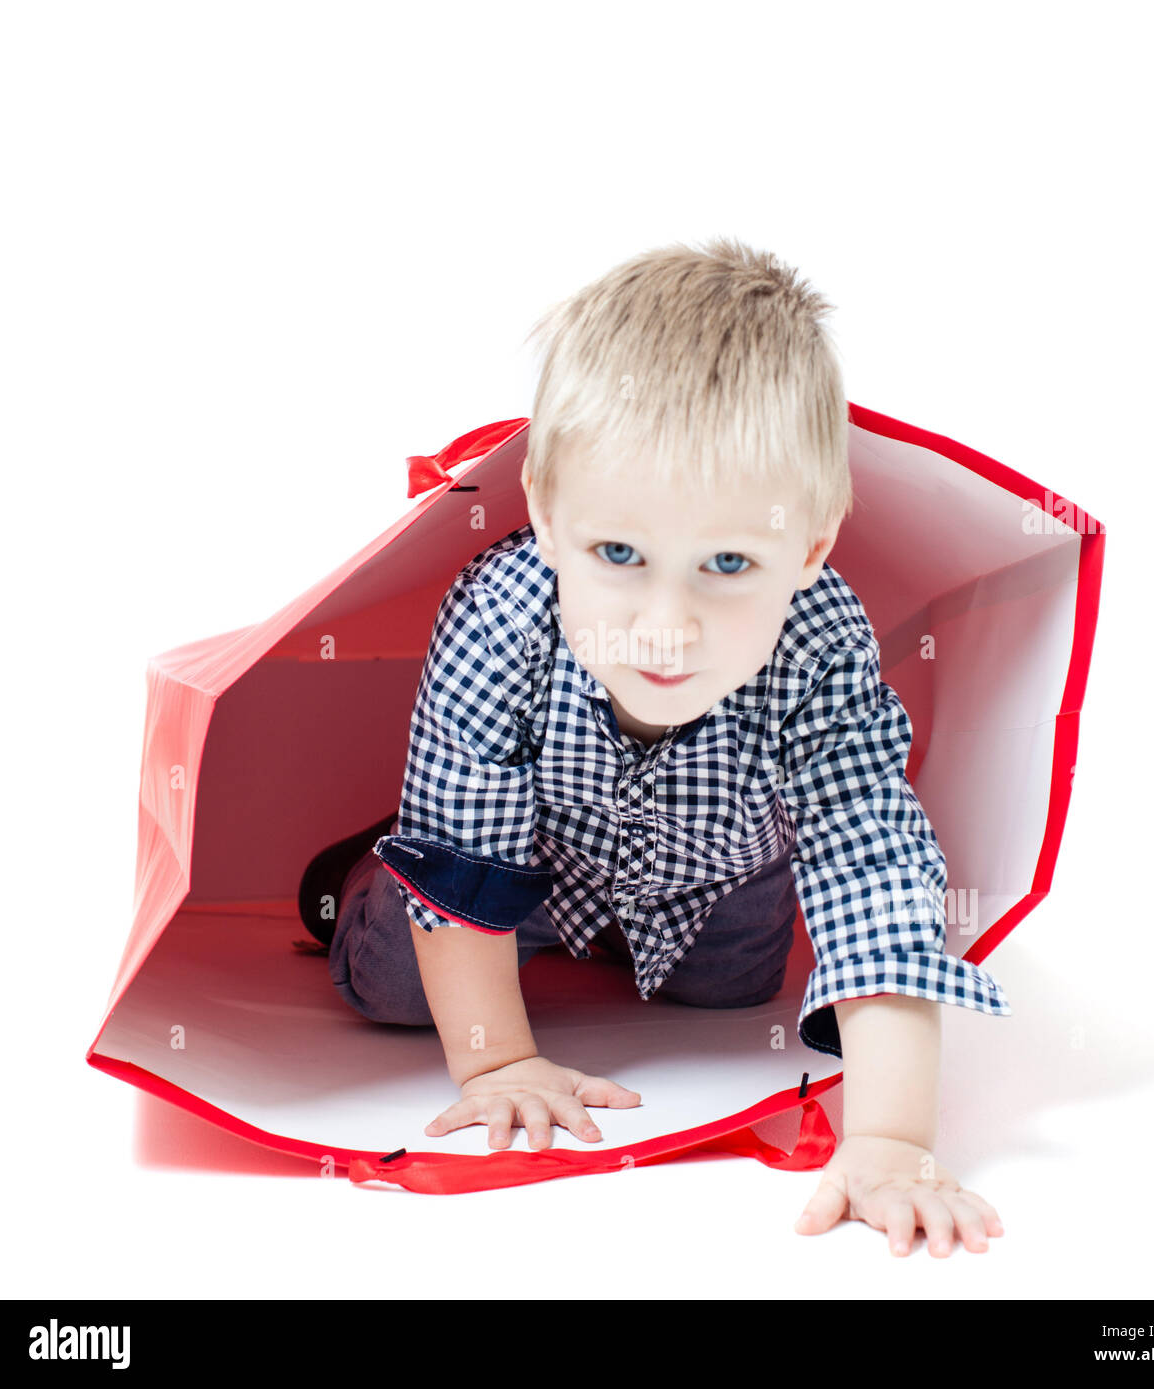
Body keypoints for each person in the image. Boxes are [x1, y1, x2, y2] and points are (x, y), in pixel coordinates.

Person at [300, 237, 1008, 1255]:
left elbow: (872, 870)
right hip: (528, 856)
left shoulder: (820, 641)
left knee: (726, 997)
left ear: (808, 545)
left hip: (716, 870)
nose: (664, 625)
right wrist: (498, 1064)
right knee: (393, 990)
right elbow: (465, 857)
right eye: (618, 553)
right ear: (545, 508)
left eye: (726, 562)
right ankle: (373, 865)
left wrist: (890, 1139)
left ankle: (648, 941)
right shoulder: (503, 613)